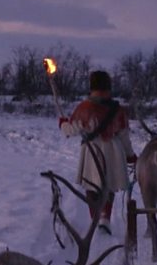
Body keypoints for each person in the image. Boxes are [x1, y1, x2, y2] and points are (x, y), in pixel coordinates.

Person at [58, 70, 136, 233]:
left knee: (92, 187)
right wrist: (129, 155)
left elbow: (70, 130)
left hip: (92, 150)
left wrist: (63, 124)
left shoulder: (84, 108)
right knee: (108, 186)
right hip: (113, 150)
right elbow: (124, 136)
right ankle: (104, 219)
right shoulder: (118, 110)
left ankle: (95, 218)